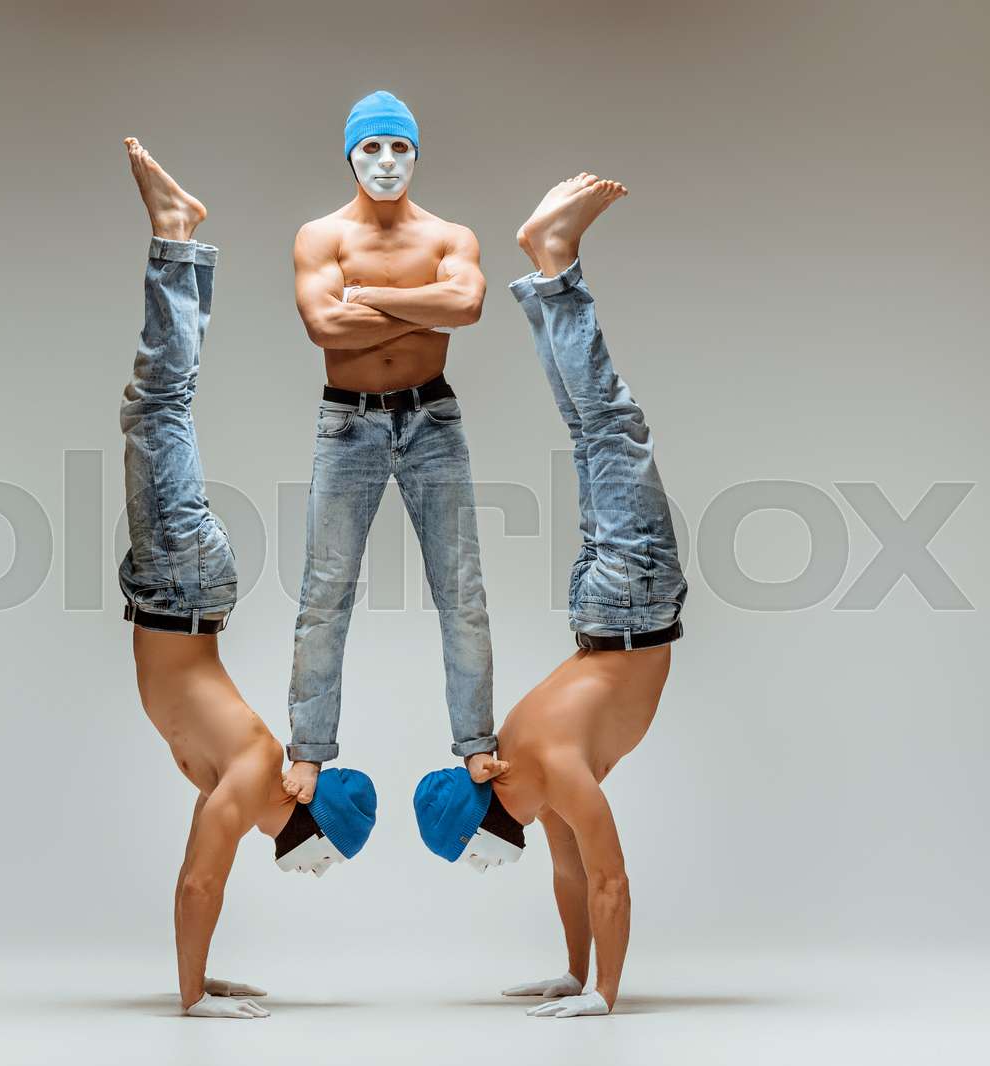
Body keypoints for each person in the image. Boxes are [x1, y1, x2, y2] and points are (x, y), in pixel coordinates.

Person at [411, 173, 688, 1019]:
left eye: (500, 834)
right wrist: (573, 974)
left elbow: (610, 877)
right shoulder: (529, 771)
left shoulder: (554, 769)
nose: (517, 841)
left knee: (609, 423)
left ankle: (554, 261)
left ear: (498, 800)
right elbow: (572, 870)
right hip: (607, 613)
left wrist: (605, 997)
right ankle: (548, 269)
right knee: (595, 428)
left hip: (632, 608)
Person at [119, 137, 378, 1020]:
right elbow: (199, 883)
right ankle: (176, 237)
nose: (295, 847)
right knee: (158, 403)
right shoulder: (254, 776)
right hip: (179, 590)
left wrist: (205, 979)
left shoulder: (251, 776)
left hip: (181, 594)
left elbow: (203, 886)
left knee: (160, 406)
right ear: (300, 799)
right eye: (305, 837)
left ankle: (182, 242)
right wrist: (195, 1004)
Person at [283, 90, 505, 805]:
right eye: (372, 148)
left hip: (432, 423)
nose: (385, 161)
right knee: (325, 595)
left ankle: (477, 743)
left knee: (461, 592)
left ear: (417, 153)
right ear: (349, 154)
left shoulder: (449, 235)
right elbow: (324, 326)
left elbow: (467, 305)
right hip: (347, 426)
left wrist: (369, 298)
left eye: (399, 147)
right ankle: (309, 750)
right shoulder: (320, 236)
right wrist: (417, 307)